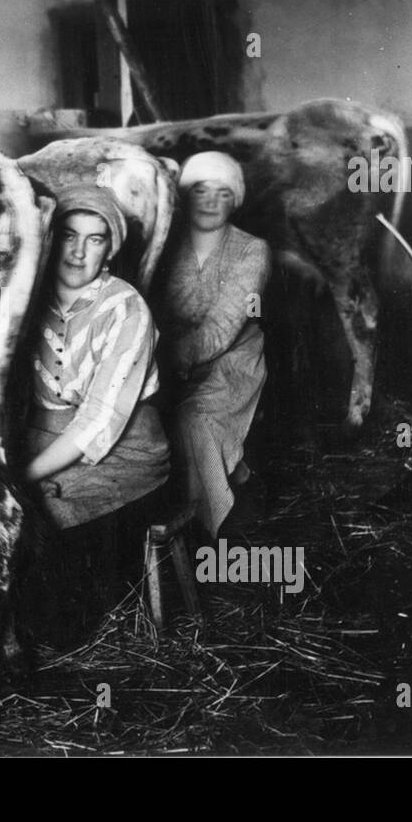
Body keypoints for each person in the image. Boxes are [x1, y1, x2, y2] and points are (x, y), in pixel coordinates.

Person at [0, 184, 172, 664]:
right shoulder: (22, 299)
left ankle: (12, 628)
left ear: (111, 249)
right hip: (37, 435)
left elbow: (97, 421)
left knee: (31, 523)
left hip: (125, 449)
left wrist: (8, 483)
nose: (78, 251)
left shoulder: (126, 306)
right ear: (49, 241)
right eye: (69, 236)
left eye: (94, 240)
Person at [158, 151, 269, 540]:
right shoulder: (164, 244)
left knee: (195, 422)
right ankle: (230, 477)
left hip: (234, 358)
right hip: (167, 360)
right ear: (184, 196)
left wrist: (163, 366)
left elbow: (224, 325)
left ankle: (209, 533)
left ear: (235, 201)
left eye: (223, 193)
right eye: (200, 190)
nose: (209, 201)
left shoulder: (252, 249)